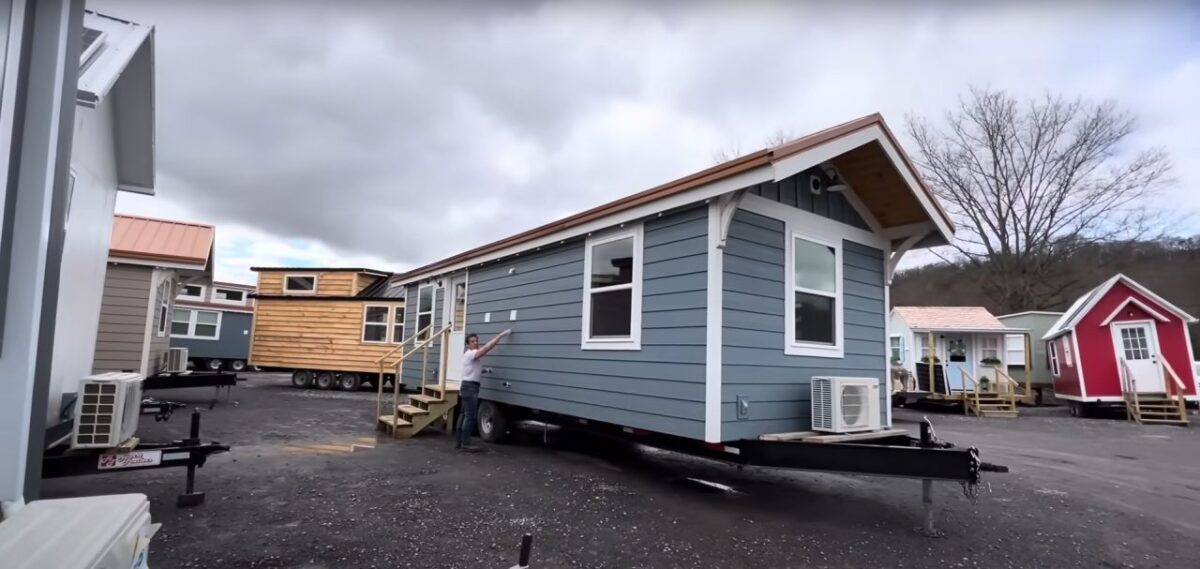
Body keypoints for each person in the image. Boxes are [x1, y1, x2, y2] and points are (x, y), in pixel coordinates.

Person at [456, 329, 511, 450]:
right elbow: (486, 348)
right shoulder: (471, 354)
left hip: (467, 386)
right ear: (467, 345)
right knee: (470, 416)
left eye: (476, 341)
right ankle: (465, 444)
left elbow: (473, 371)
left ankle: (459, 442)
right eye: (472, 341)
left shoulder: (468, 356)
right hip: (470, 388)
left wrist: (486, 370)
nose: (475, 343)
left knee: (463, 414)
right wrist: (500, 336)